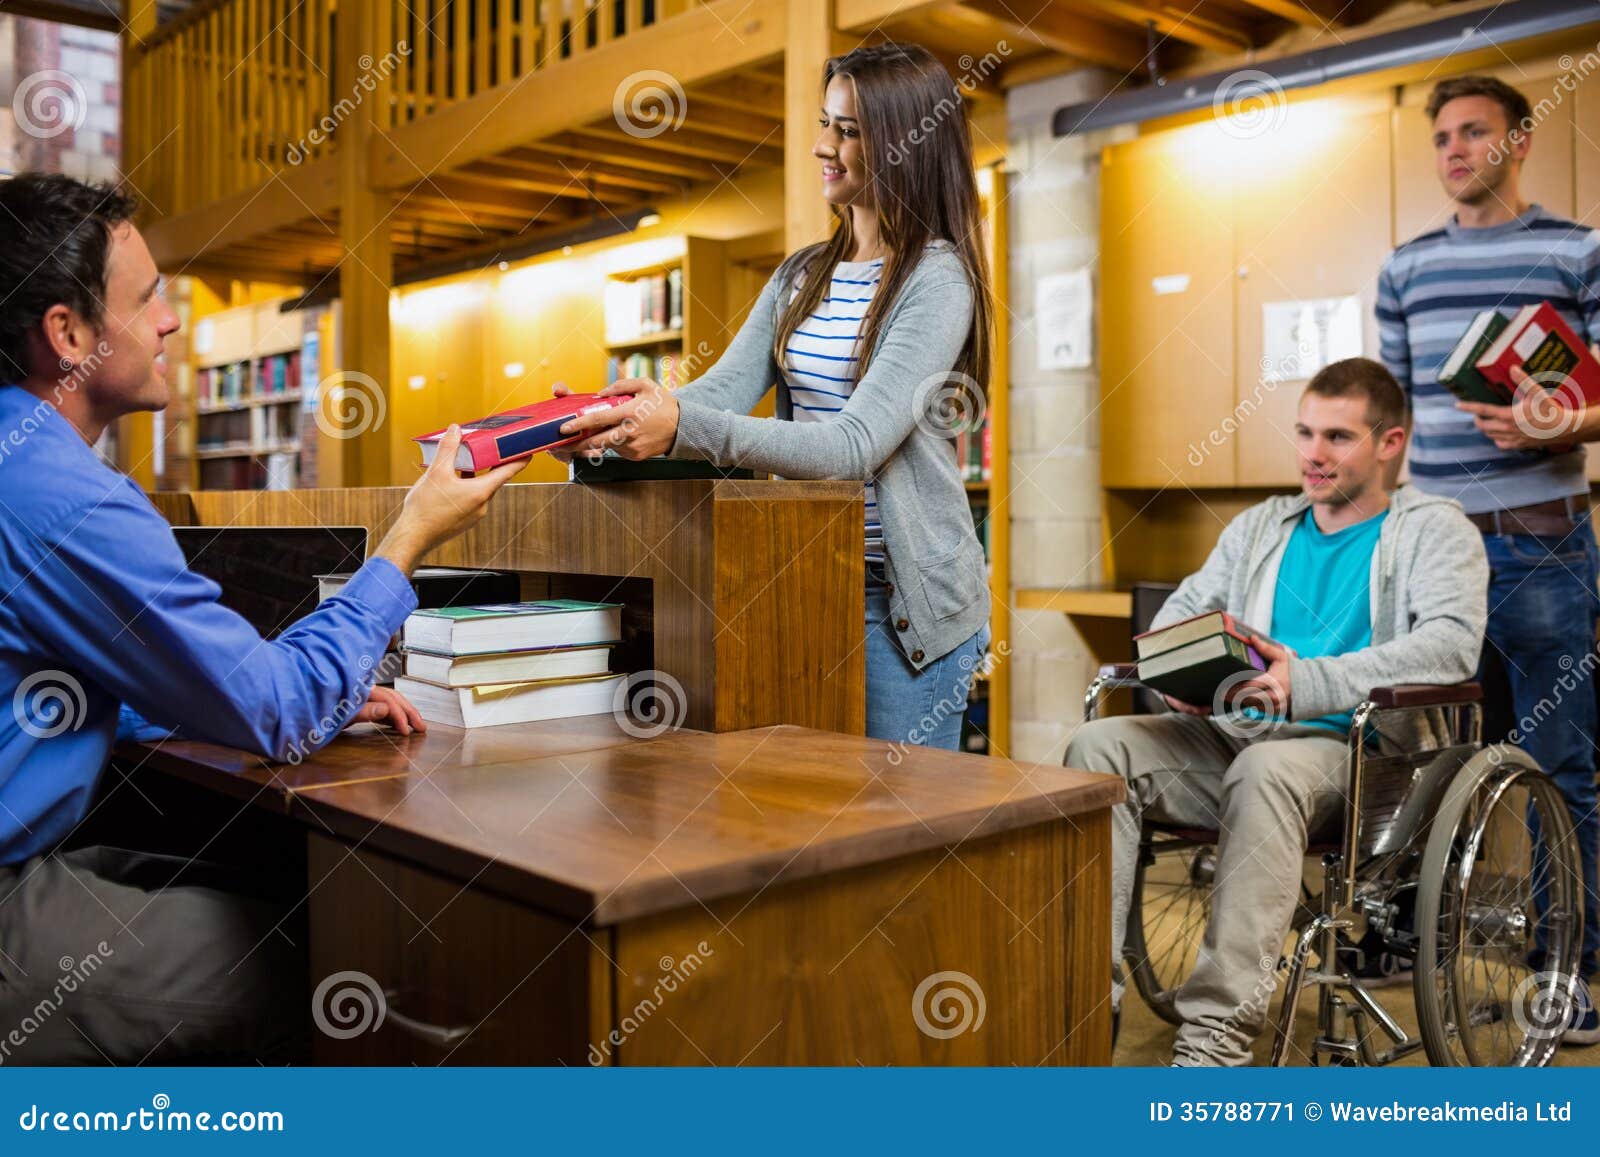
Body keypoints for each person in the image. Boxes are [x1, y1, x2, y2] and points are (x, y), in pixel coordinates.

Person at [0, 174, 526, 1063]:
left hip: (29, 861)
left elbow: (54, 692)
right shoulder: (58, 496)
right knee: (344, 965)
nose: (170, 321)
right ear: (69, 335)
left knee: (271, 884)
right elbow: (277, 711)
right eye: (149, 297)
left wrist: (287, 691)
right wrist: (410, 536)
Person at [553, 42, 993, 750]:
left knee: (891, 833)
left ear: (906, 144)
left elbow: (853, 447)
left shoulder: (936, 281)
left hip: (903, 603)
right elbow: (722, 393)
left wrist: (679, 425)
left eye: (849, 131)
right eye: (827, 122)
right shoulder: (802, 274)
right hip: (811, 578)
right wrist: (616, 420)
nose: (824, 145)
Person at [1065, 359, 1487, 1066]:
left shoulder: (1435, 531)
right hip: (1242, 735)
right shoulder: (1263, 525)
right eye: (1303, 432)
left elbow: (1450, 649)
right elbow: (1182, 612)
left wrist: (1306, 681)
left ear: (1391, 443)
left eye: (1338, 437)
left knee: (1265, 768)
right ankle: (1084, 1002)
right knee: (1098, 746)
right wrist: (1177, 669)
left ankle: (1215, 1037)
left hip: (1361, 757)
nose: (1313, 454)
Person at [1376, 74, 1600, 1043]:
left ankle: (1567, 972)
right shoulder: (1404, 269)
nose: (1455, 150)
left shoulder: (1577, 250)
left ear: (1517, 142)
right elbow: (1387, 426)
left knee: (1558, 768)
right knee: (1442, 767)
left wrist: (1558, 416)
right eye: (1441, 138)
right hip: (1434, 559)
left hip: (1543, 548)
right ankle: (1469, 960)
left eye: (1474, 132)